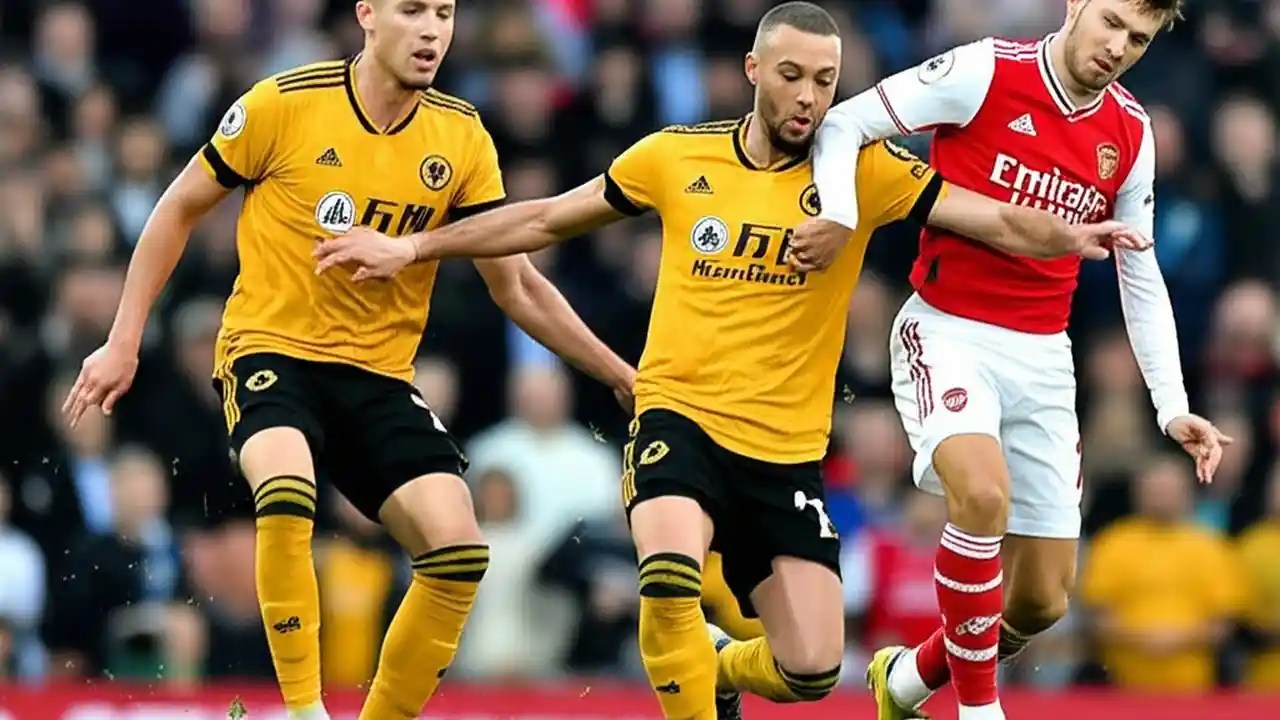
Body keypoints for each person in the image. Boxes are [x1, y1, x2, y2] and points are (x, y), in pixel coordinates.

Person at [312, 3, 1145, 718]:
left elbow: (993, 219)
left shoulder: (863, 170)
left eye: (825, 80)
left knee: (812, 669)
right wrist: (414, 245)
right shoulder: (676, 156)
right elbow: (543, 220)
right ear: (753, 68)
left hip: (785, 452)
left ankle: (709, 663)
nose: (809, 97)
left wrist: (1070, 235)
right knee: (669, 572)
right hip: (680, 417)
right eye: (791, 75)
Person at [60, 2, 635, 719]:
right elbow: (177, 209)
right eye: (412, 11)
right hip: (272, 349)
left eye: (445, 14)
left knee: (458, 549)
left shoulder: (459, 135)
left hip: (378, 374)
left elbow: (515, 283)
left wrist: (619, 373)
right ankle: (305, 711)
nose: (432, 31)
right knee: (286, 481)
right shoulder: (285, 104)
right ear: (367, 14)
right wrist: (123, 338)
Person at [791, 1, 1230, 719]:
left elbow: (1140, 274)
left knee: (1040, 601)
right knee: (983, 497)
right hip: (947, 331)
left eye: (1139, 39)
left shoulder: (1130, 130)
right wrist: (839, 213)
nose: (1119, 46)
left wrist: (1172, 404)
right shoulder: (986, 69)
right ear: (1076, 5)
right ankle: (979, 709)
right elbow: (847, 121)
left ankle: (904, 681)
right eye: (1112, 22)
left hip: (1043, 357)